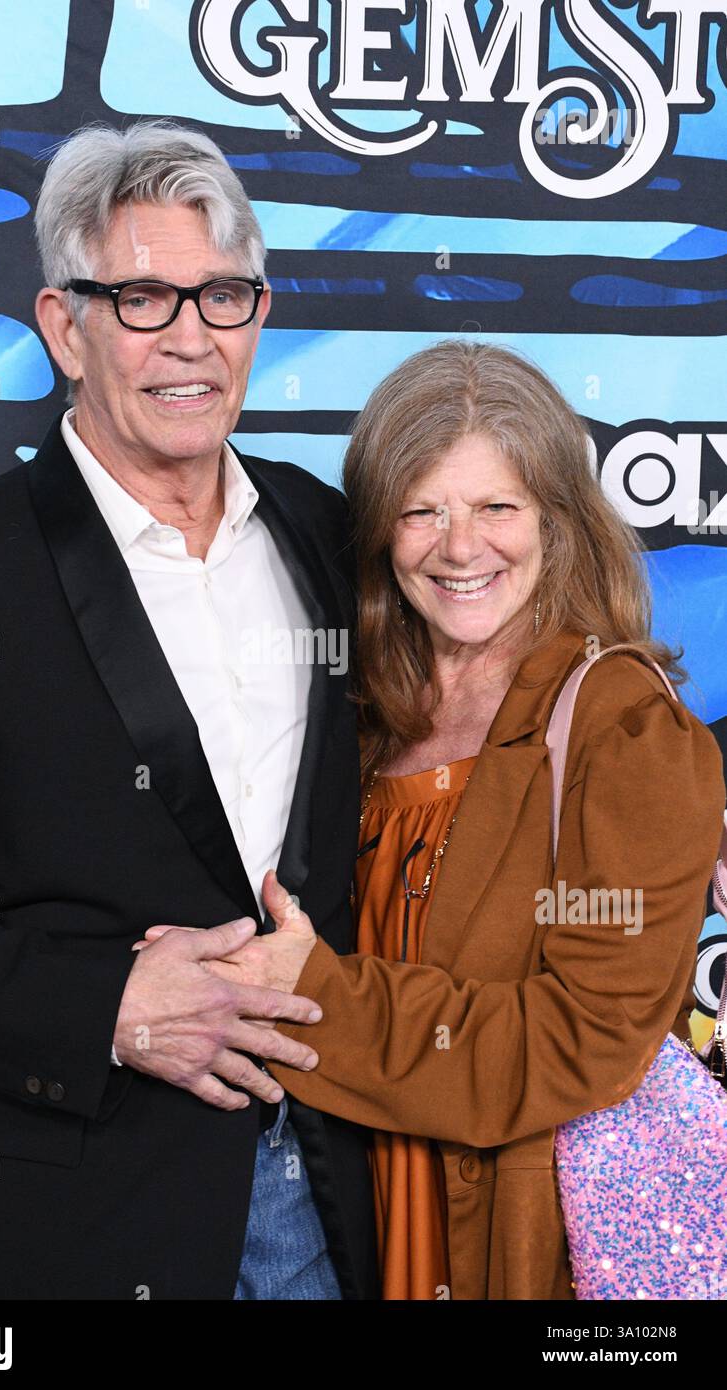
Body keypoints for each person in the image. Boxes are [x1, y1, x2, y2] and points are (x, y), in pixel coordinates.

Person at [0, 119, 378, 1300]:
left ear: (258, 314)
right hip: (59, 1221)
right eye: (142, 298)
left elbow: (488, 696)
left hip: (323, 1193)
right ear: (64, 329)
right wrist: (109, 1006)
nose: (190, 338)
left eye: (222, 296)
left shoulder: (328, 531)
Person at [140, 341, 726, 1299]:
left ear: (559, 520)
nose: (460, 548)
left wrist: (317, 1000)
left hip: (512, 1240)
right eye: (423, 511)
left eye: (498, 507)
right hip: (333, 1222)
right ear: (380, 530)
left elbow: (584, 1038)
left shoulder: (624, 732)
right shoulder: (351, 710)